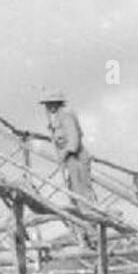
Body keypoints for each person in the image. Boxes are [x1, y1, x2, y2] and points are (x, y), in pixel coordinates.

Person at [40, 90, 95, 239]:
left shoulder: (66, 115)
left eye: (53, 104)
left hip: (76, 157)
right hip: (70, 159)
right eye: (48, 104)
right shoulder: (56, 119)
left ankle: (89, 226)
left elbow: (74, 138)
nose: (50, 107)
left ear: (58, 103)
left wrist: (65, 152)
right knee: (74, 190)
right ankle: (83, 226)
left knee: (81, 192)